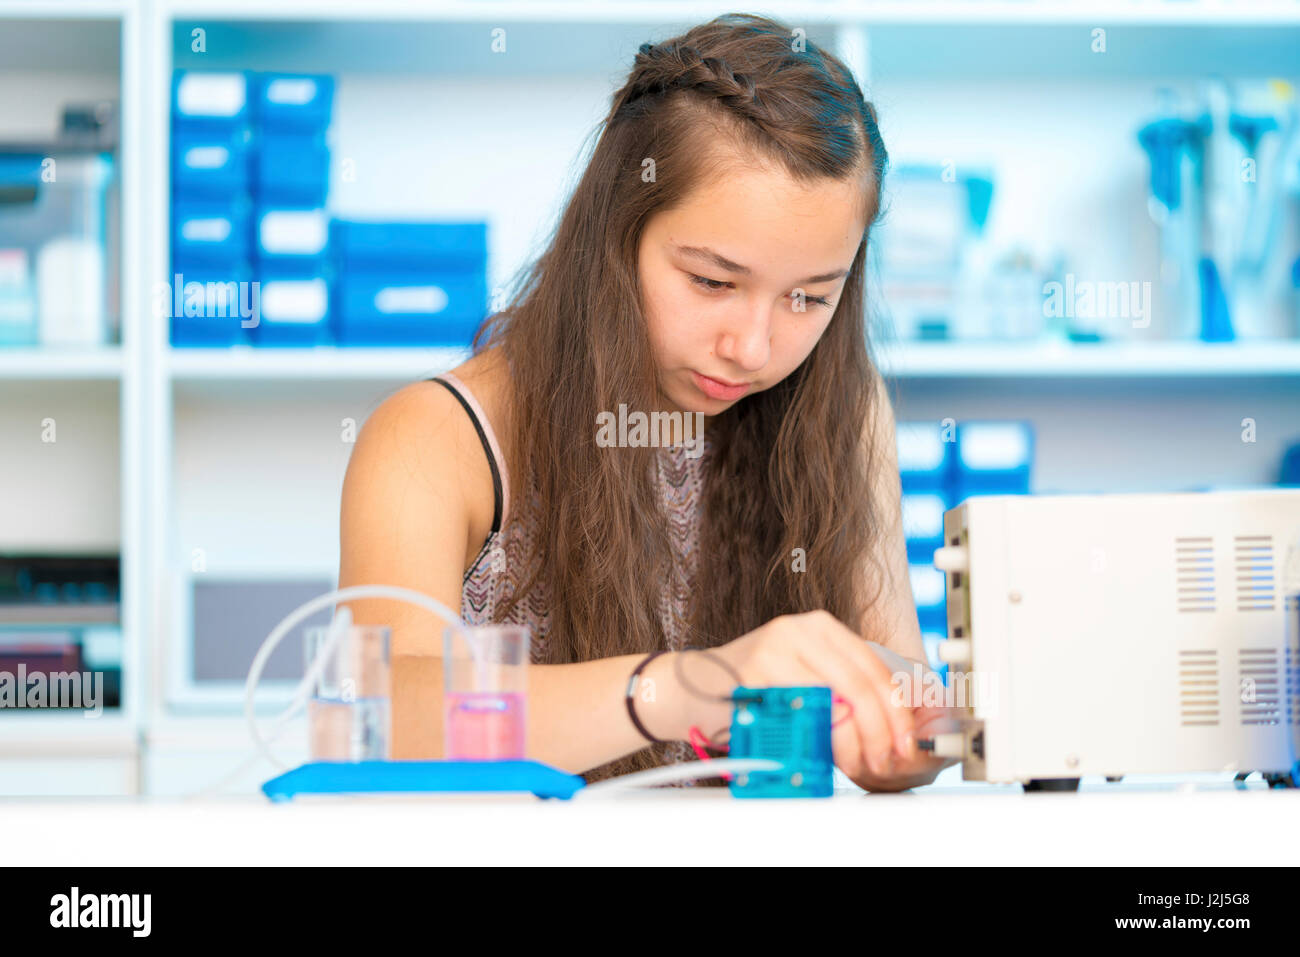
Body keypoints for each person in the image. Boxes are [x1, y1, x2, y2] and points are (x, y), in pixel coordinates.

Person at [339, 13, 960, 790]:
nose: (754, 347)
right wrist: (690, 685)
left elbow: (911, 731)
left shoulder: (841, 407)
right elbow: (389, 711)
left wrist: (905, 728)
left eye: (808, 296)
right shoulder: (437, 438)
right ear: (616, 230)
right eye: (711, 281)